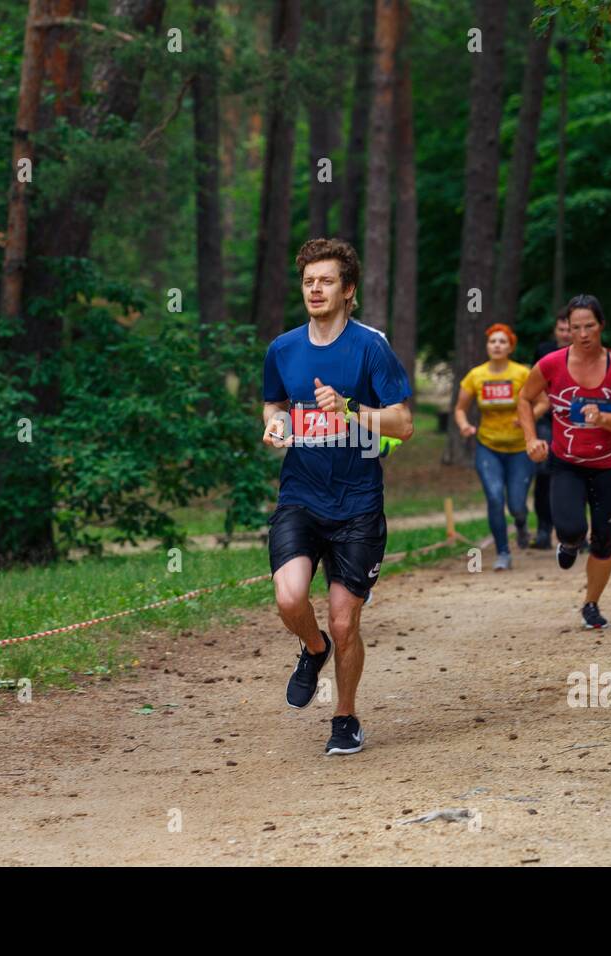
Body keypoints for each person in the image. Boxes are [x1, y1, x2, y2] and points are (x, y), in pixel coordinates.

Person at [262, 238, 414, 755]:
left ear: (348, 290)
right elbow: (274, 404)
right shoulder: (282, 349)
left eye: (326, 281)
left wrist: (350, 410)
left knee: (346, 621)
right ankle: (312, 647)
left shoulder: (371, 346)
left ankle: (344, 717)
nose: (315, 289)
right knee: (289, 597)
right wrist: (277, 425)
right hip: (301, 496)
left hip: (358, 503)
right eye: (308, 281)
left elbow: (404, 424)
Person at [517, 294, 611, 630]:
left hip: (608, 465)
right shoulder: (552, 363)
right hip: (566, 462)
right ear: (567, 329)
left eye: (590, 326)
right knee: (571, 528)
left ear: (601, 326)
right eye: (575, 327)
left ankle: (591, 604)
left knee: (604, 538)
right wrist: (530, 439)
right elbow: (525, 399)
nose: (583, 334)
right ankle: (568, 543)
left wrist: (605, 419)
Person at [455, 323, 534, 570]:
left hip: (520, 449)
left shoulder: (522, 373)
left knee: (517, 505)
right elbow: (459, 409)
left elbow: (542, 403)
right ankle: (503, 552)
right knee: (494, 497)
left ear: (510, 347)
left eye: (502, 342)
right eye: (492, 341)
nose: (497, 345)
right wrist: (465, 425)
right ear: (487, 346)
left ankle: (521, 523)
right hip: (488, 447)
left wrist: (525, 418)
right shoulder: (476, 376)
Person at [530, 310, 571, 548]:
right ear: (556, 331)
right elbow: (532, 384)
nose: (566, 334)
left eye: (569, 329)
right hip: (547, 419)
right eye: (562, 329)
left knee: (578, 473)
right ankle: (544, 529)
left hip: (575, 421)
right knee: (544, 472)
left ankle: (575, 531)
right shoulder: (544, 351)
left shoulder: (585, 353)